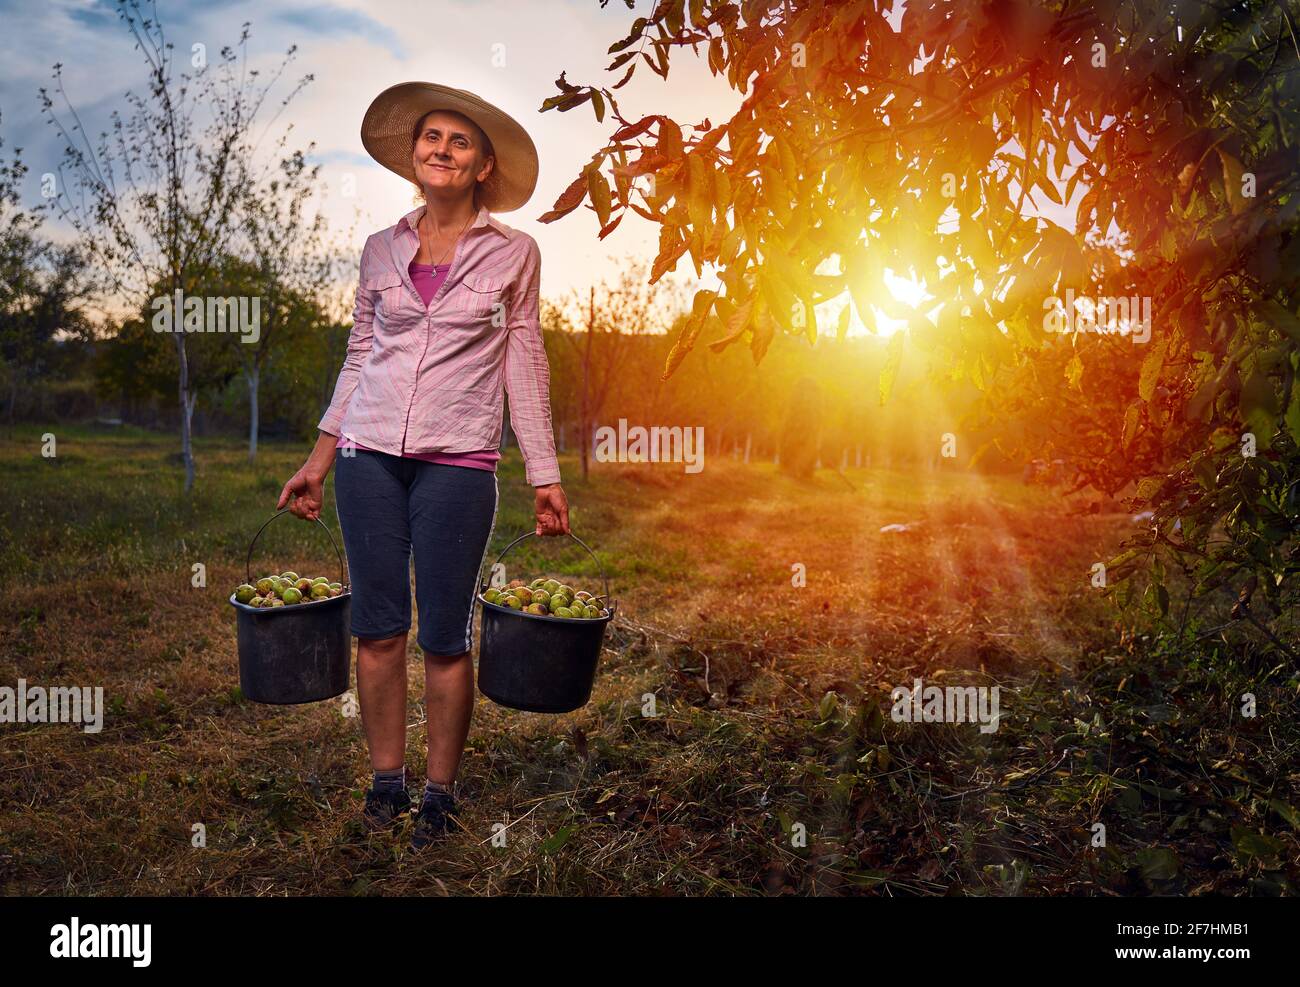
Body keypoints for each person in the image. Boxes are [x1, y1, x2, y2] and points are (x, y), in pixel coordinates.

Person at [277, 82, 570, 850]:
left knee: (445, 635)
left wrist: (545, 473)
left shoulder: (515, 253)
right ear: (414, 154)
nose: (440, 148)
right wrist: (318, 456)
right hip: (366, 455)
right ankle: (386, 780)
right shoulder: (381, 248)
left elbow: (524, 361)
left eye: (459, 141)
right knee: (378, 630)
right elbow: (359, 357)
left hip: (460, 463)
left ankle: (439, 792)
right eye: (430, 137)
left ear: (483, 166)